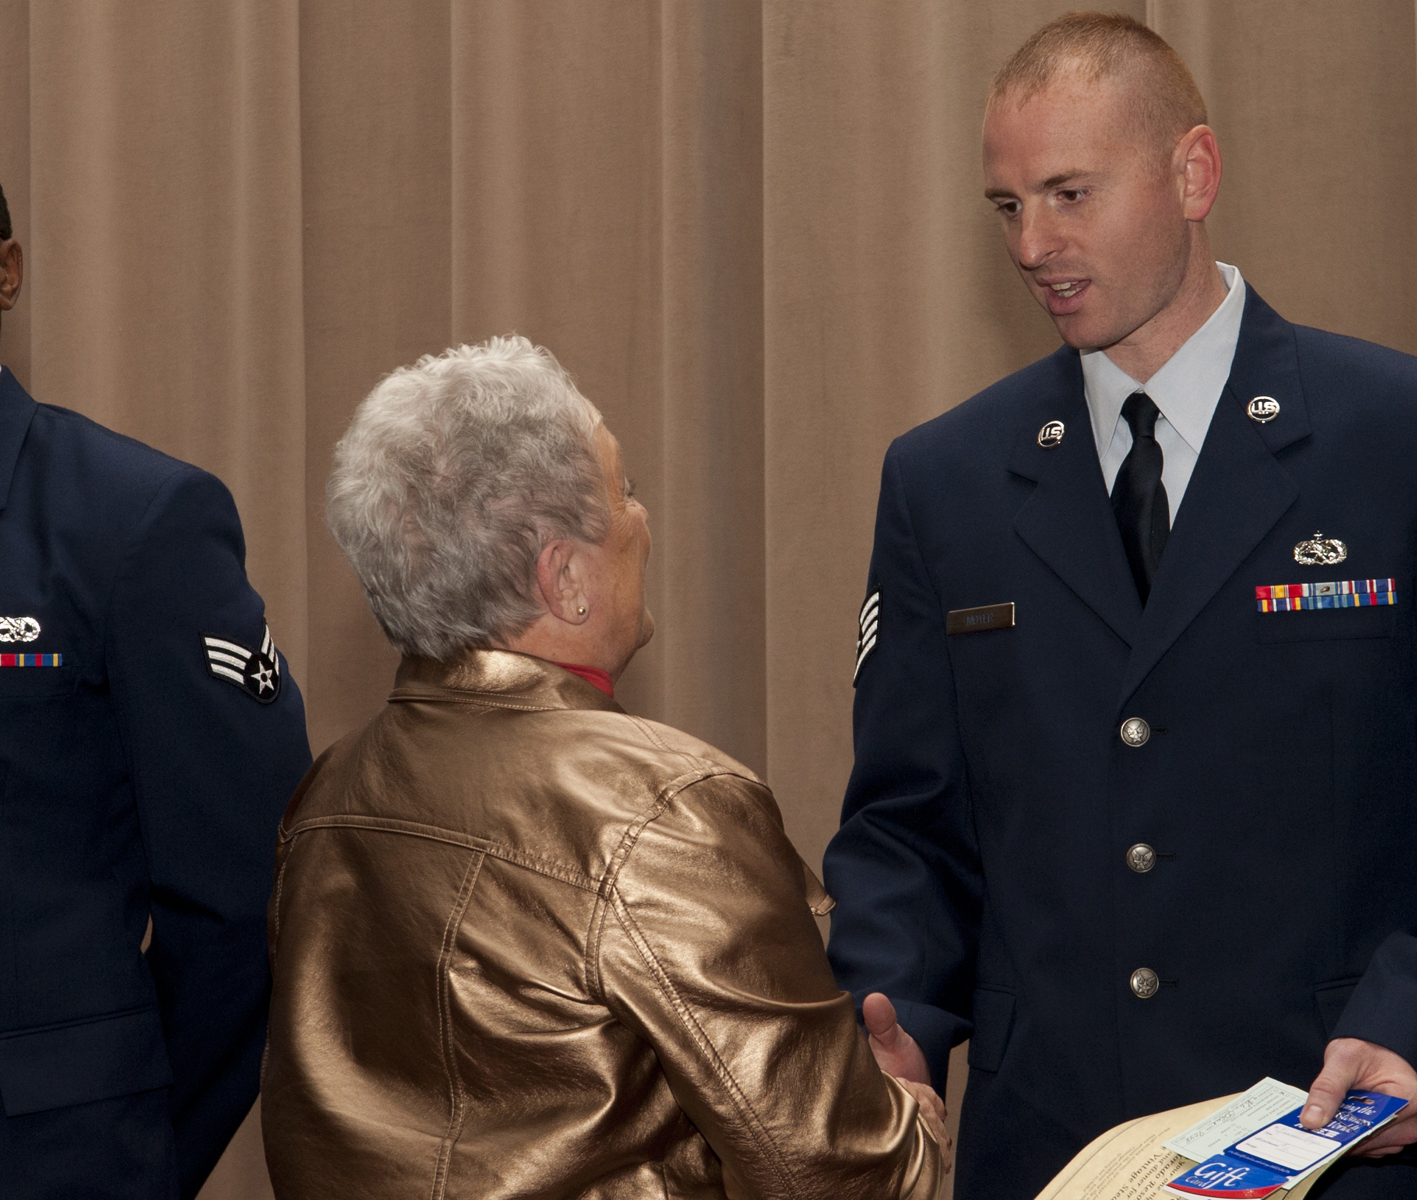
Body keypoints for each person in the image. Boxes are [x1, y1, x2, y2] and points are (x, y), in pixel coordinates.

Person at [823, 15, 1417, 1200]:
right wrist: (893, 1021)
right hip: (1055, 1157)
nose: (1035, 244)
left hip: (1333, 1147)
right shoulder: (946, 480)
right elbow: (906, 832)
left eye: (1071, 194)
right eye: (1007, 207)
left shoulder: (1405, 438)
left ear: (1193, 173)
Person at [261, 336, 948, 1199]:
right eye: (623, 490)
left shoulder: (324, 798)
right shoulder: (665, 809)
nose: (640, 518)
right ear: (565, 578)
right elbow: (837, 1175)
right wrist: (903, 1123)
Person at [0, 114, 310, 1197]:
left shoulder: (133, 521)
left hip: (29, 1161)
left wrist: (131, 1153)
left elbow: (243, 903)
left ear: (5, 271)